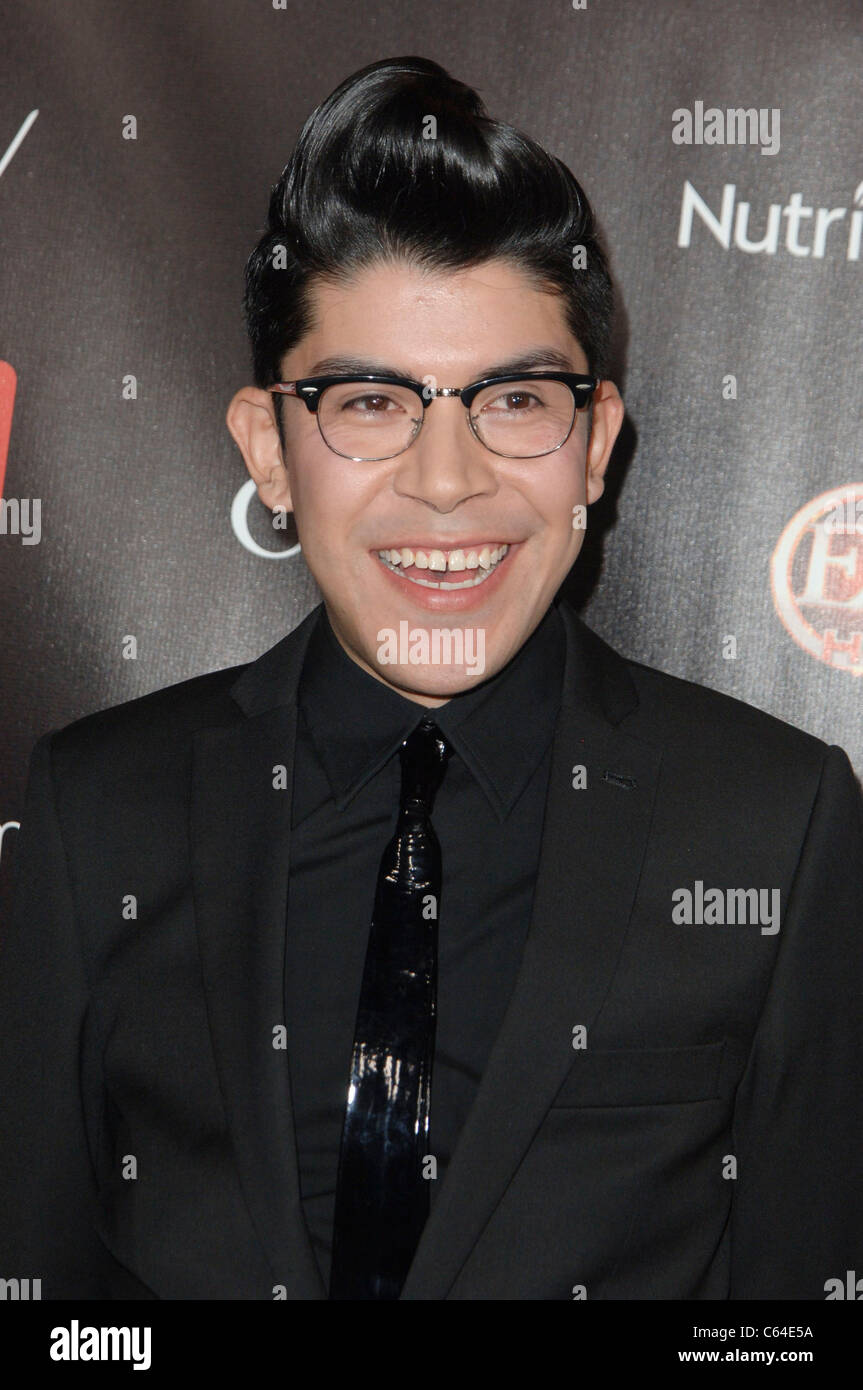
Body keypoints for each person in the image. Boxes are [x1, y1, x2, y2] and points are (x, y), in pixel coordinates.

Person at [1, 55, 861, 1302]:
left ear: (594, 448)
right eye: (369, 401)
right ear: (271, 451)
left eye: (514, 399)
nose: (446, 478)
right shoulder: (96, 812)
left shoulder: (773, 822)